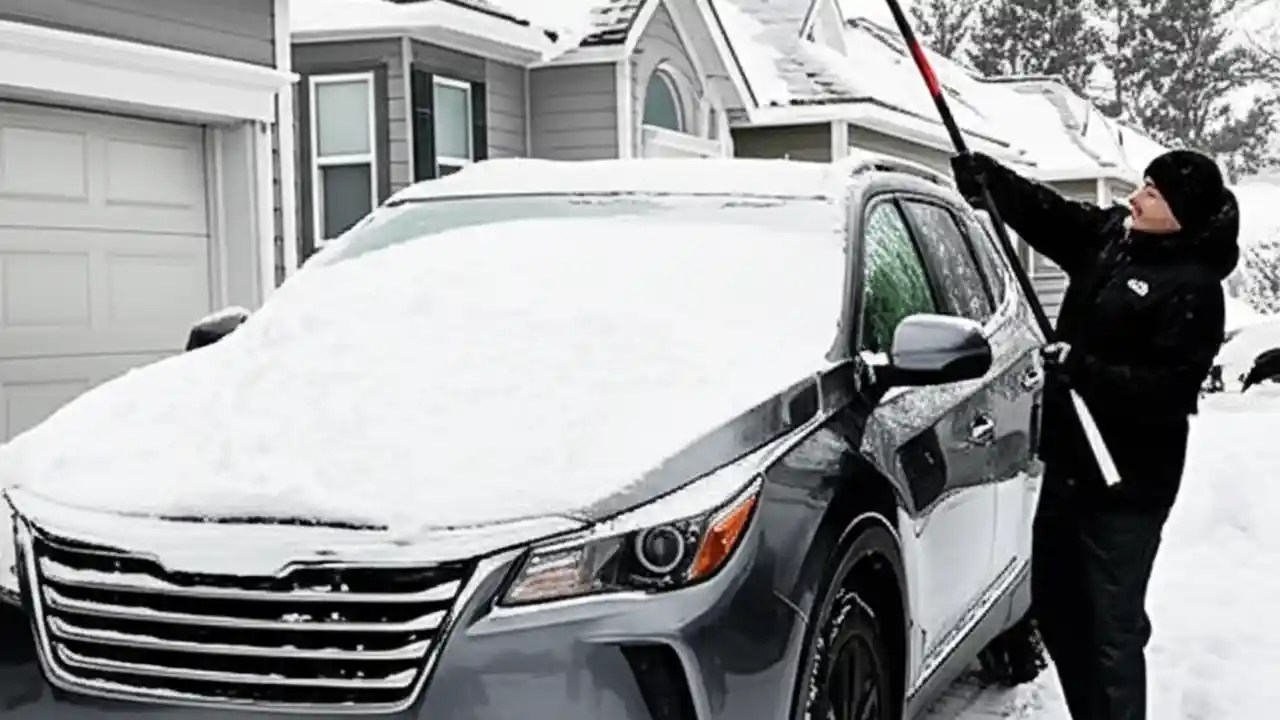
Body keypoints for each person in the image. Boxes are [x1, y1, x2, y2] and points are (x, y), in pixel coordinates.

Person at [949, 149, 1240, 719]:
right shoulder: (1114, 238)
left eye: (1151, 191)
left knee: (1111, 630)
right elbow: (1050, 214)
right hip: (1071, 465)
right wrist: (992, 181)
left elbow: (1167, 392)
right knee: (1057, 609)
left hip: (1128, 484)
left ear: (1180, 209)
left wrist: (1082, 369)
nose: (1135, 196)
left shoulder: (1194, 288)